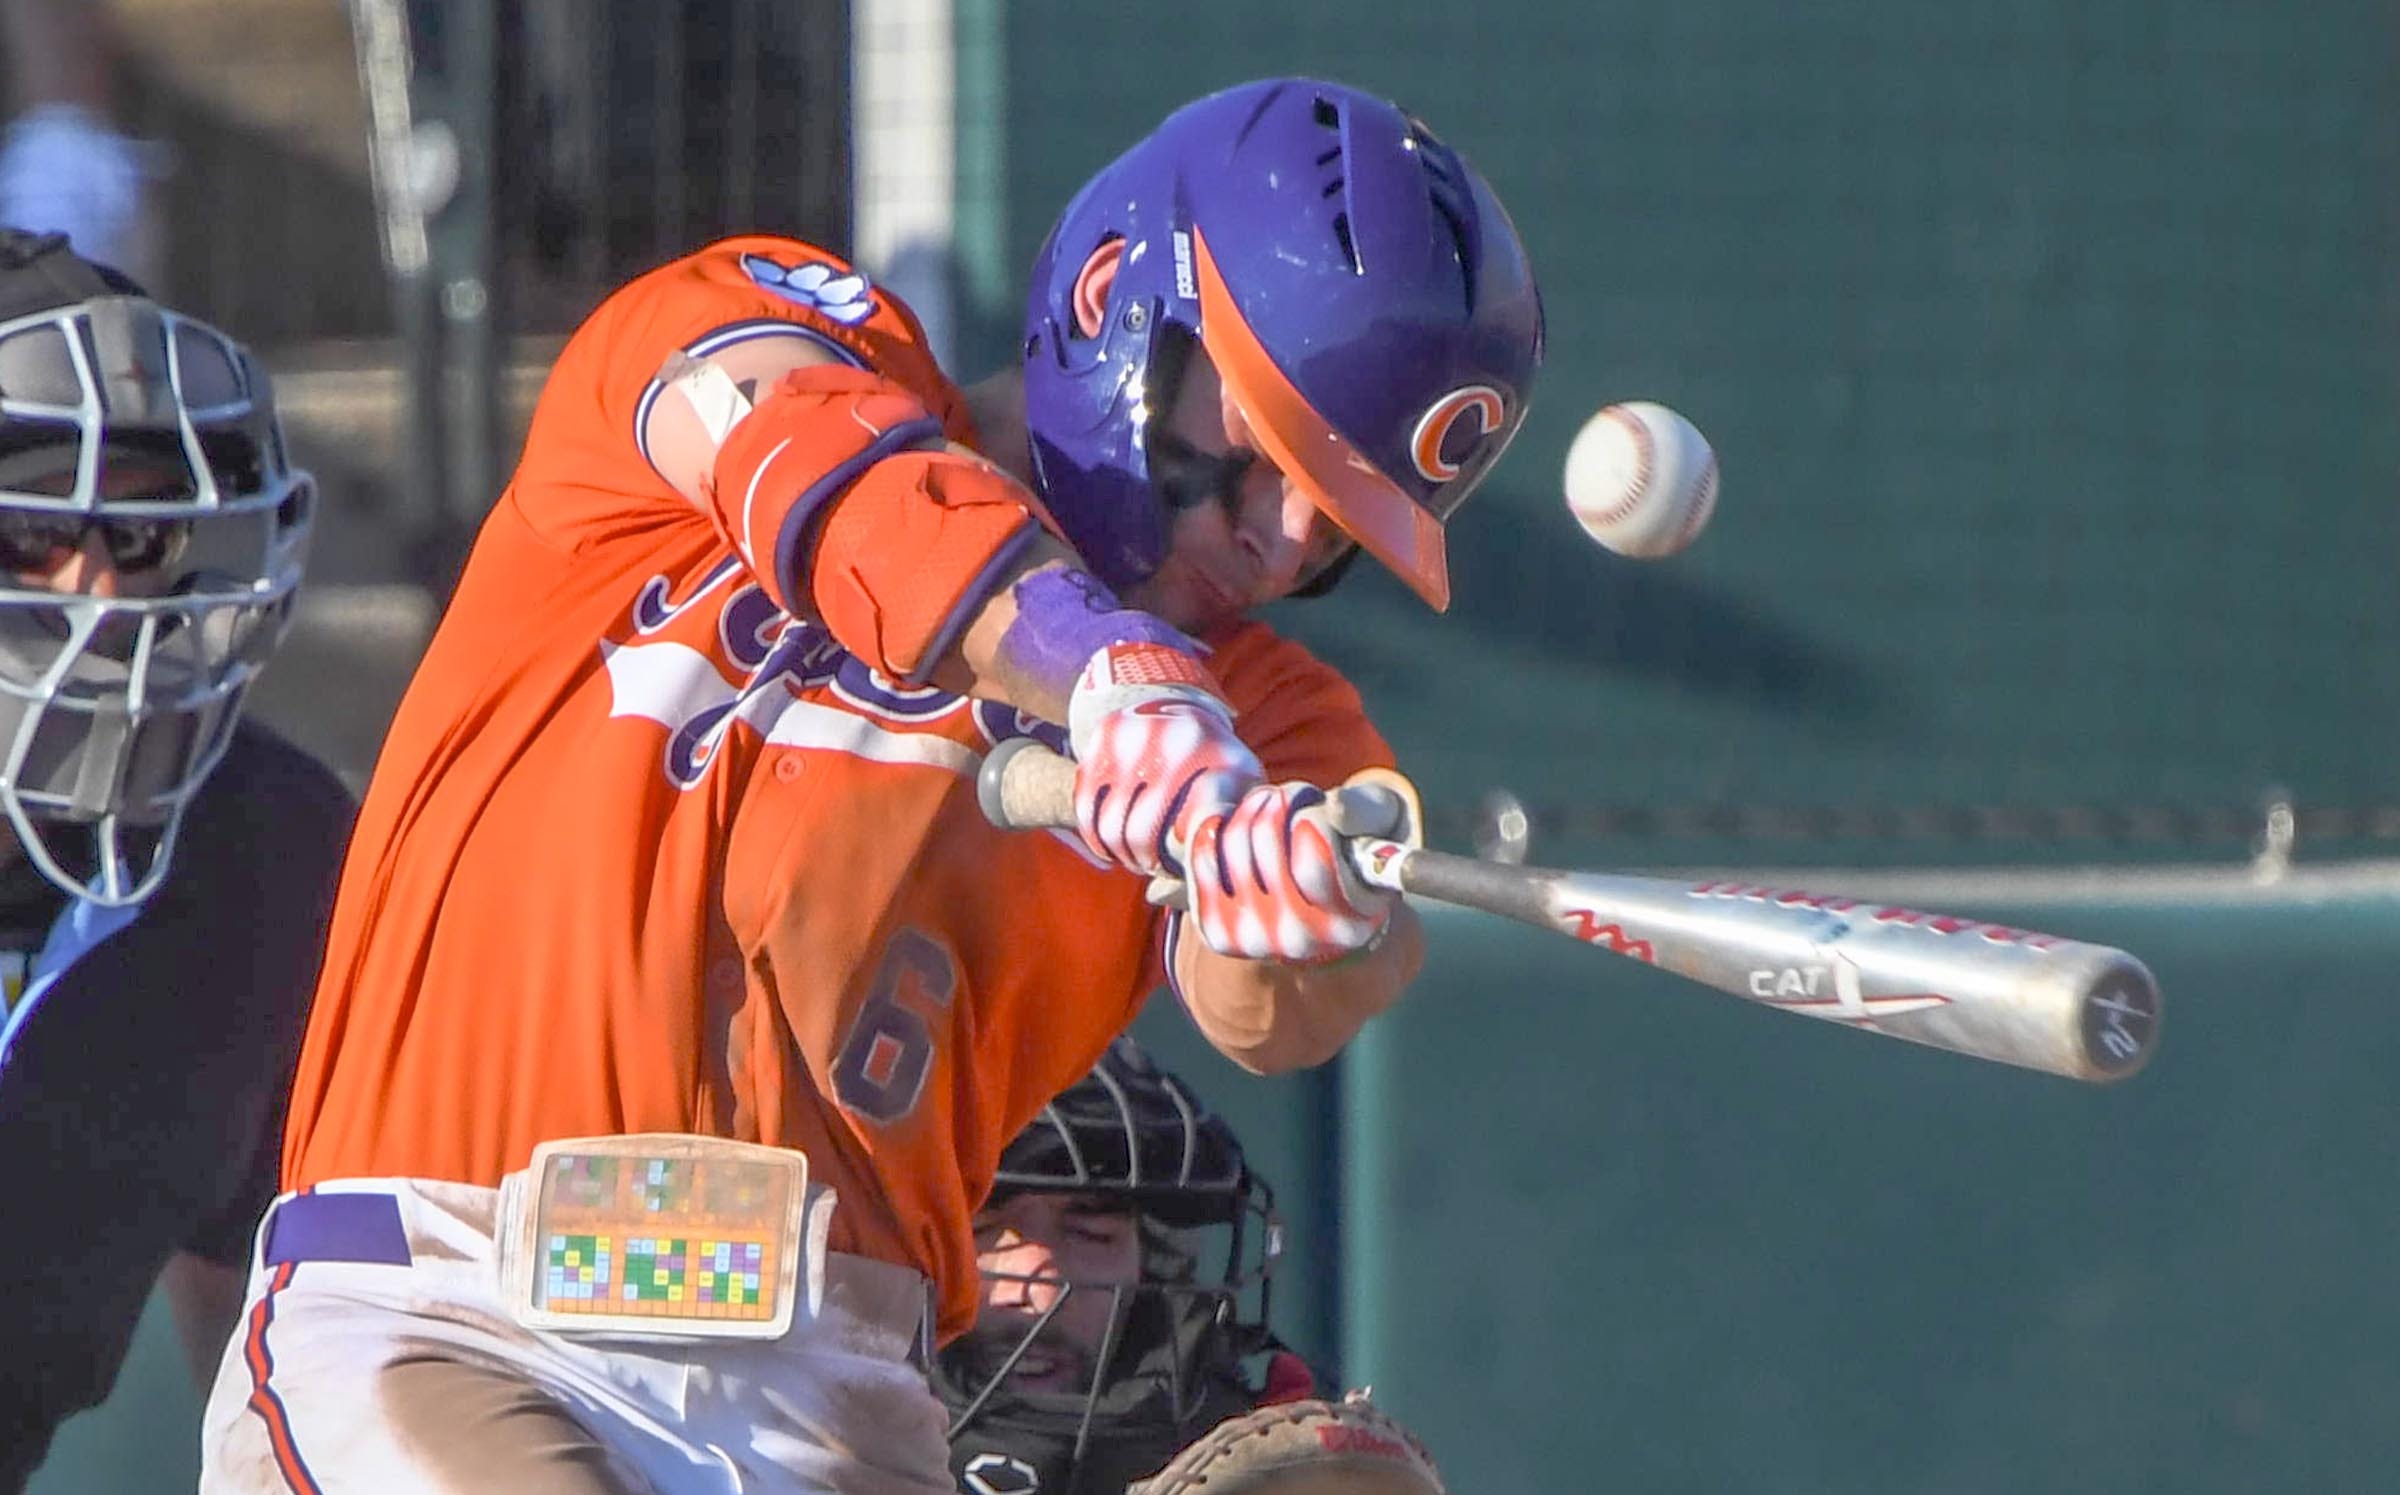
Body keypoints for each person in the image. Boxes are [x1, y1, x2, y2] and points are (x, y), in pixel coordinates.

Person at [200, 75, 1541, 1494]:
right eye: (1268, 452)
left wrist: (1300, 913)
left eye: (1336, 524)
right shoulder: (782, 336)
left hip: (842, 1397)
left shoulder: (1266, 711)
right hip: (456, 1317)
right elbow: (828, 467)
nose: (1277, 541)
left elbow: (1285, 992)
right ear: (1111, 294)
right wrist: (1100, 664)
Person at [0, 228, 347, 1491]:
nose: (99, 599)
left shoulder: (253, 851)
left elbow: (263, 1341)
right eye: (28, 539)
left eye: (139, 539)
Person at [936, 1038, 1314, 1495]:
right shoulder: (833, 1447)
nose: (1043, 1294)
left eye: (1093, 1235)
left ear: (1151, 1261)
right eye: (983, 1232)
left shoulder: (1247, 1462)